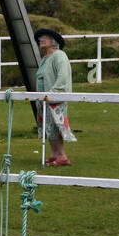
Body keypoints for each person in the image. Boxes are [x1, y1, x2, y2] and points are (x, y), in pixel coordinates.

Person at [35, 27, 76, 166]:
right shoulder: (45, 58)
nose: (41, 40)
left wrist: (53, 92)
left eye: (45, 38)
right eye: (41, 38)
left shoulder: (59, 55)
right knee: (48, 126)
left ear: (53, 42)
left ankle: (62, 156)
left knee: (56, 125)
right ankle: (54, 154)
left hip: (54, 98)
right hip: (44, 99)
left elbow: (62, 76)